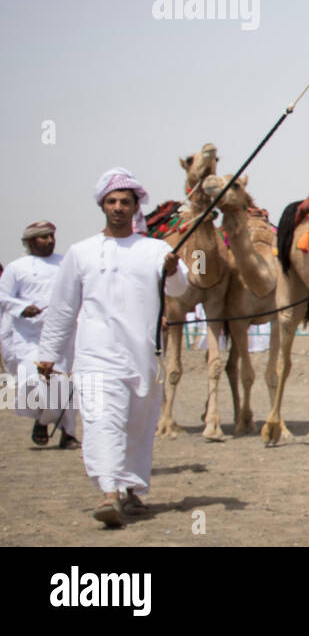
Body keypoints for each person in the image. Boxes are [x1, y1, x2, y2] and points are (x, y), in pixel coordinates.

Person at [37, 168, 190, 528]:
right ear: (102, 205)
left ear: (136, 206)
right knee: (102, 421)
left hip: (143, 357)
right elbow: (62, 307)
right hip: (95, 356)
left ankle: (132, 487)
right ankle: (110, 494)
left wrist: (171, 271)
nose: (118, 207)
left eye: (125, 201)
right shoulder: (81, 252)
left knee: (137, 426)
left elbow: (180, 289)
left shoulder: (156, 250)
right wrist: (48, 352)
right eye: (112, 201)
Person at [0, 221, 77, 447]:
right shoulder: (17, 267)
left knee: (64, 382)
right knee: (33, 381)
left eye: (52, 236)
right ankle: (42, 418)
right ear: (31, 241)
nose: (50, 241)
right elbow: (2, 296)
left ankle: (68, 433)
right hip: (28, 336)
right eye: (44, 237)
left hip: (61, 333)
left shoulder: (66, 263)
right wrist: (22, 307)